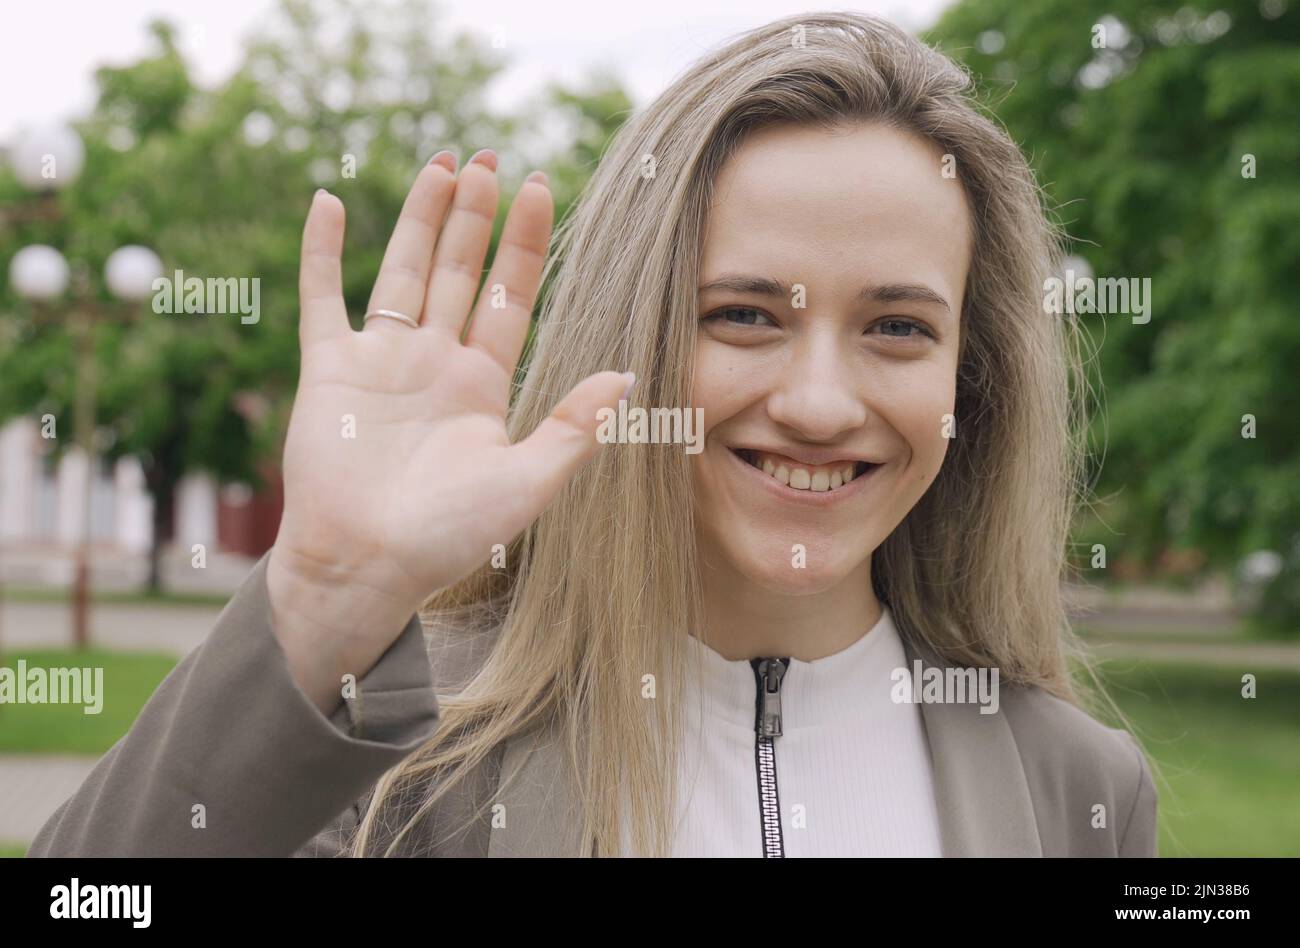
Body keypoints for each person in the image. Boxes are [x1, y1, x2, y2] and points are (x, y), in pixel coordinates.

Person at [29, 11, 1156, 858]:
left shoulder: (1079, 788)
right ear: (635, 336)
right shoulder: (404, 757)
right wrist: (322, 601)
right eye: (744, 315)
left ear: (973, 379)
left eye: (897, 327)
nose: (819, 404)